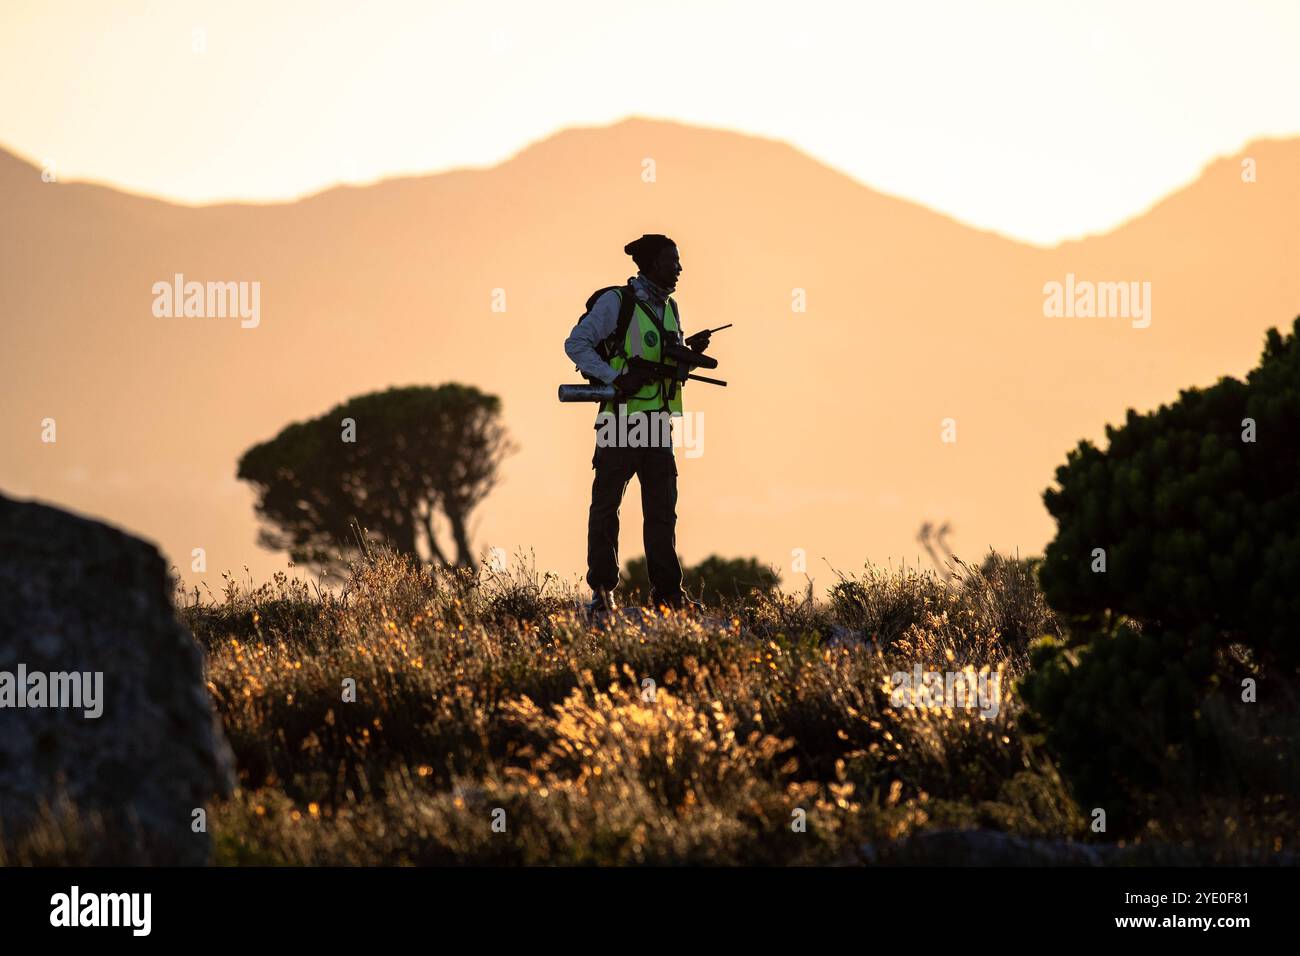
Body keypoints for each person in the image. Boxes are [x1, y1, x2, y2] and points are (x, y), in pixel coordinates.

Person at [563, 234, 711, 618]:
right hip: (620, 423)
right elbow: (576, 344)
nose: (678, 268)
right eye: (671, 261)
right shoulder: (618, 302)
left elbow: (662, 361)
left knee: (662, 512)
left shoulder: (671, 308)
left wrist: (689, 353)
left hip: (658, 424)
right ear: (649, 264)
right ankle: (602, 593)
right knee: (607, 507)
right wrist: (614, 377)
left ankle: (667, 595)